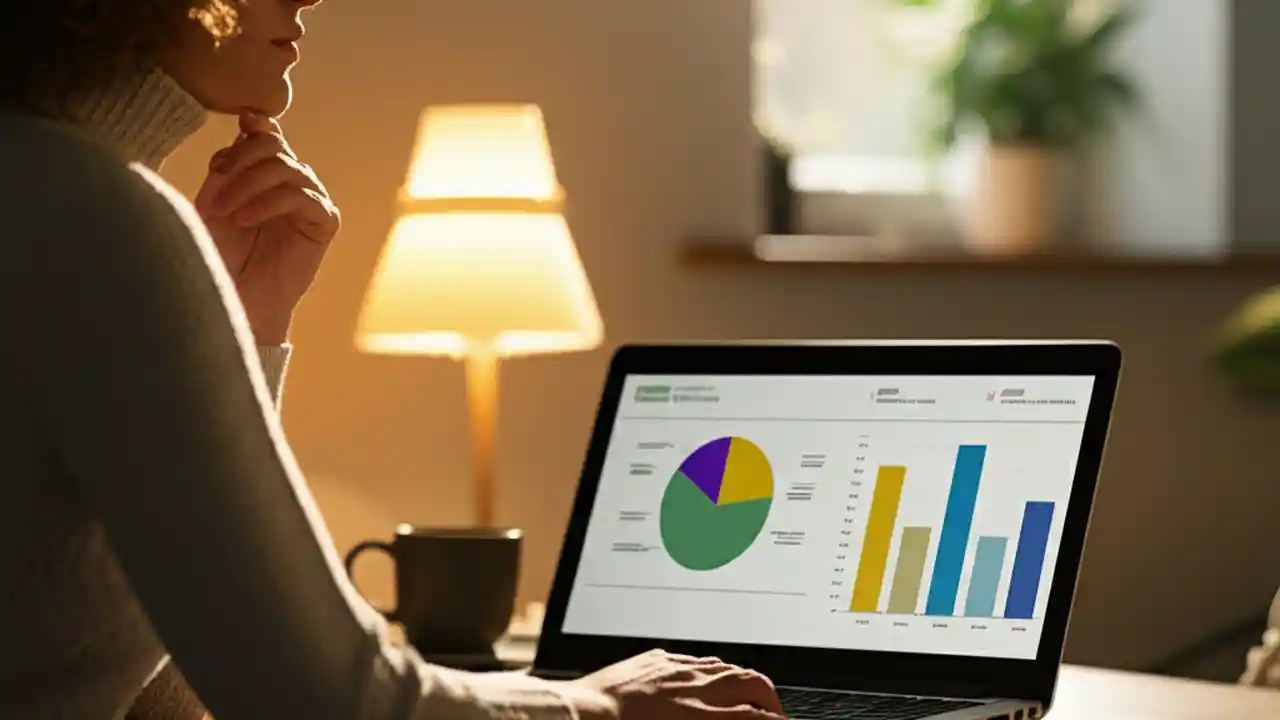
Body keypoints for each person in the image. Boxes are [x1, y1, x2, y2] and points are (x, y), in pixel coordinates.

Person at [3, 1, 786, 718]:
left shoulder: (52, 192)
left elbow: (161, 699)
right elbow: (330, 701)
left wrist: (245, 322)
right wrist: (600, 709)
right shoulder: (91, 218)